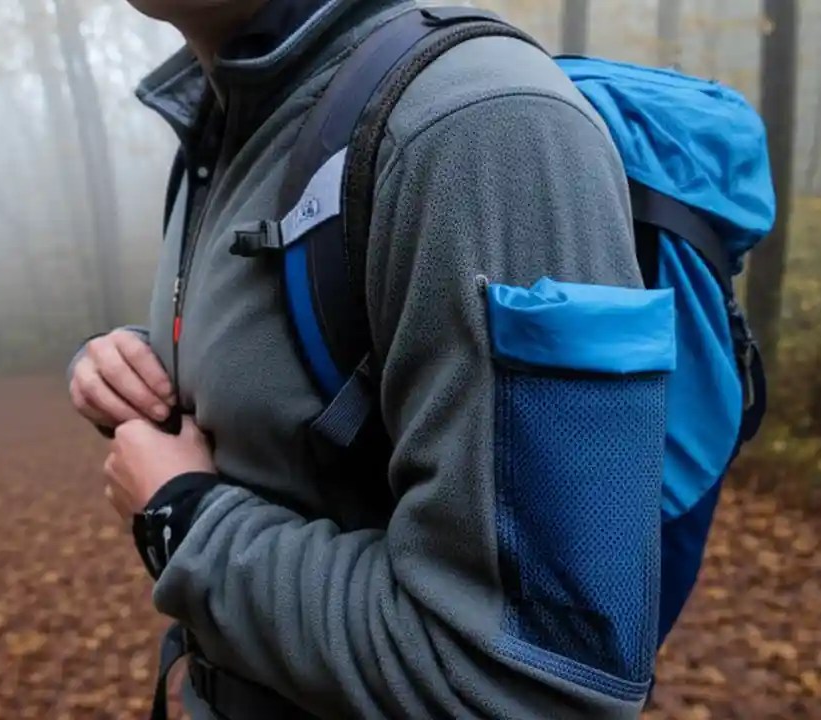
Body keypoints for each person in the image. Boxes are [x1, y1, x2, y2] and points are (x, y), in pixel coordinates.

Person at [68, 0, 665, 717]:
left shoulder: (478, 125)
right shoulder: (232, 121)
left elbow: (534, 684)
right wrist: (134, 360)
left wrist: (184, 521)